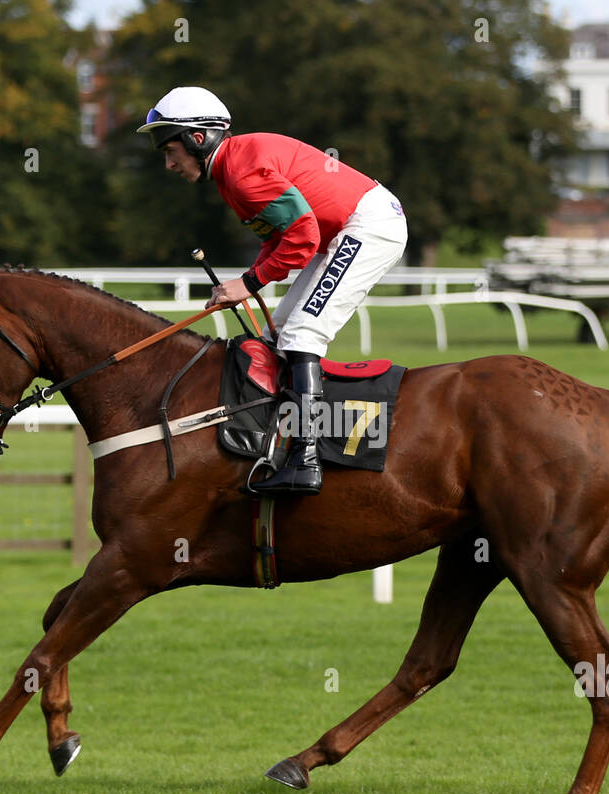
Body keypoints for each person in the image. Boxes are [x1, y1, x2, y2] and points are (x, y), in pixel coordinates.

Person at [137, 86, 408, 495]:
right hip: (343, 229)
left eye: (168, 149)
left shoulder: (242, 173)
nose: (169, 163)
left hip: (367, 226)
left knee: (302, 334)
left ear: (197, 139)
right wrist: (245, 283)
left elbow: (302, 238)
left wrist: (246, 284)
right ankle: (276, 443)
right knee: (277, 335)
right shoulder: (230, 169)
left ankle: (308, 458)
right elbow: (281, 238)